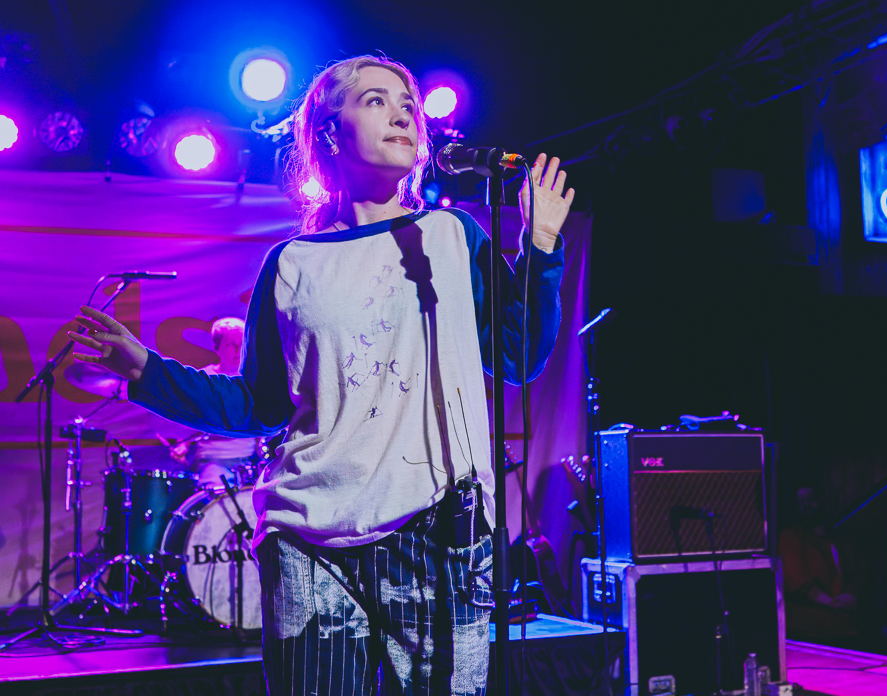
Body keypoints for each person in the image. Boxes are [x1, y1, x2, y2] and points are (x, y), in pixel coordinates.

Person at [68, 53, 574, 695]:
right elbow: (257, 405)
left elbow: (517, 356)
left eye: (408, 103)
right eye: (375, 100)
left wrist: (542, 249)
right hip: (311, 543)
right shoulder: (291, 264)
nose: (401, 113)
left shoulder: (451, 234)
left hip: (443, 532)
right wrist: (146, 370)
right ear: (329, 133)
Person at [169, 317, 264, 487]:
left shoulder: (256, 378)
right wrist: (183, 444)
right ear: (217, 348)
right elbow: (189, 422)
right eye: (230, 344)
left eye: (241, 343)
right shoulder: (204, 379)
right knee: (217, 502)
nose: (237, 349)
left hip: (249, 460)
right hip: (212, 459)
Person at [778, 486, 858, 642]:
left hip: (847, 627)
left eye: (811, 499)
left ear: (821, 501)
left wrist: (850, 597)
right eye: (801, 501)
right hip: (810, 631)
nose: (806, 504)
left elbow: (858, 573)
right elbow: (796, 581)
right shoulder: (791, 537)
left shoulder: (840, 539)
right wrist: (833, 604)